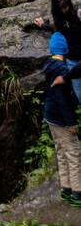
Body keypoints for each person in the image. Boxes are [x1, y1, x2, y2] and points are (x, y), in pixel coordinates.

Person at [43, 31, 81, 205]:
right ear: (66, 50)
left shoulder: (50, 65)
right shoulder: (62, 70)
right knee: (73, 151)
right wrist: (71, 123)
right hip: (61, 118)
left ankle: (66, 188)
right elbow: (63, 100)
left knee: (61, 149)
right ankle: (77, 193)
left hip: (50, 116)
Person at [34, 0, 81, 102]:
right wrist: (43, 25)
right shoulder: (60, 20)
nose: (65, 10)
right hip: (72, 61)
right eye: (61, 8)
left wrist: (65, 78)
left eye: (66, 6)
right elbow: (57, 28)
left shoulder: (78, 15)